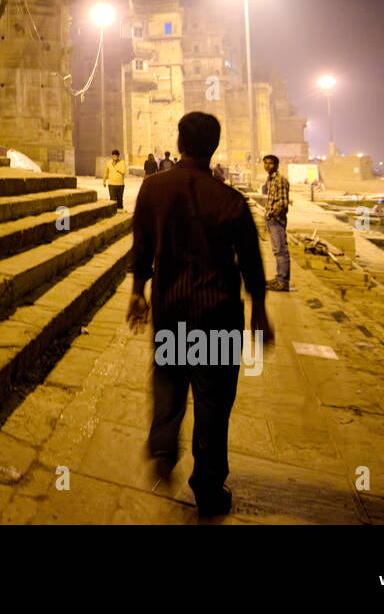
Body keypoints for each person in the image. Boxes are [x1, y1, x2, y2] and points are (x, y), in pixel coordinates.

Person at [127, 112, 273, 517]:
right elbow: (251, 264)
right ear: (213, 146)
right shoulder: (230, 201)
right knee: (213, 400)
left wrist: (137, 292)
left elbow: (141, 245)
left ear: (179, 141)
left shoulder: (153, 189)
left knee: (169, 377)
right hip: (218, 314)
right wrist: (259, 311)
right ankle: (208, 486)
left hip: (171, 306)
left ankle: (162, 444)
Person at [262, 154, 292, 291]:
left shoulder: (280, 180)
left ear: (276, 165)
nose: (267, 166)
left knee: (281, 251)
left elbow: (283, 203)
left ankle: (283, 282)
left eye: (270, 163)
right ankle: (279, 278)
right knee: (277, 251)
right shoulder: (270, 180)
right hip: (271, 220)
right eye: (265, 163)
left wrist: (272, 215)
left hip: (276, 221)